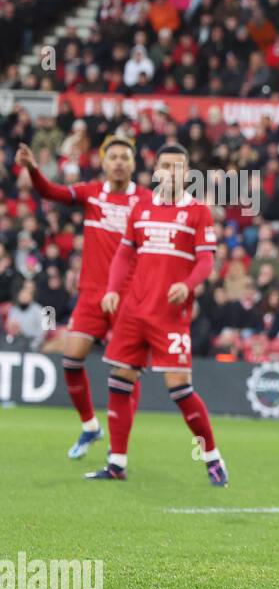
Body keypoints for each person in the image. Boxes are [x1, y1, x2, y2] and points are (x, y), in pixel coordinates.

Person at [86, 142, 227, 485]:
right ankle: (116, 463)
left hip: (169, 315)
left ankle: (211, 456)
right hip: (134, 311)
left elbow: (207, 259)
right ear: (156, 169)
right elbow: (123, 254)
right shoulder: (141, 208)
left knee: (179, 389)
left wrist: (188, 285)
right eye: (165, 165)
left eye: (178, 167)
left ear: (186, 173)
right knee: (120, 382)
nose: (171, 172)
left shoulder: (196, 211)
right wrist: (110, 291)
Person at [15, 135, 146, 459]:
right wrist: (33, 169)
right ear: (103, 163)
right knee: (71, 359)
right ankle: (90, 426)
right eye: (112, 156)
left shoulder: (144, 201)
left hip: (128, 296)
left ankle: (119, 452)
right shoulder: (91, 192)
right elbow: (50, 192)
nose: (118, 162)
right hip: (91, 294)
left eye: (124, 157)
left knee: (125, 372)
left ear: (133, 164)